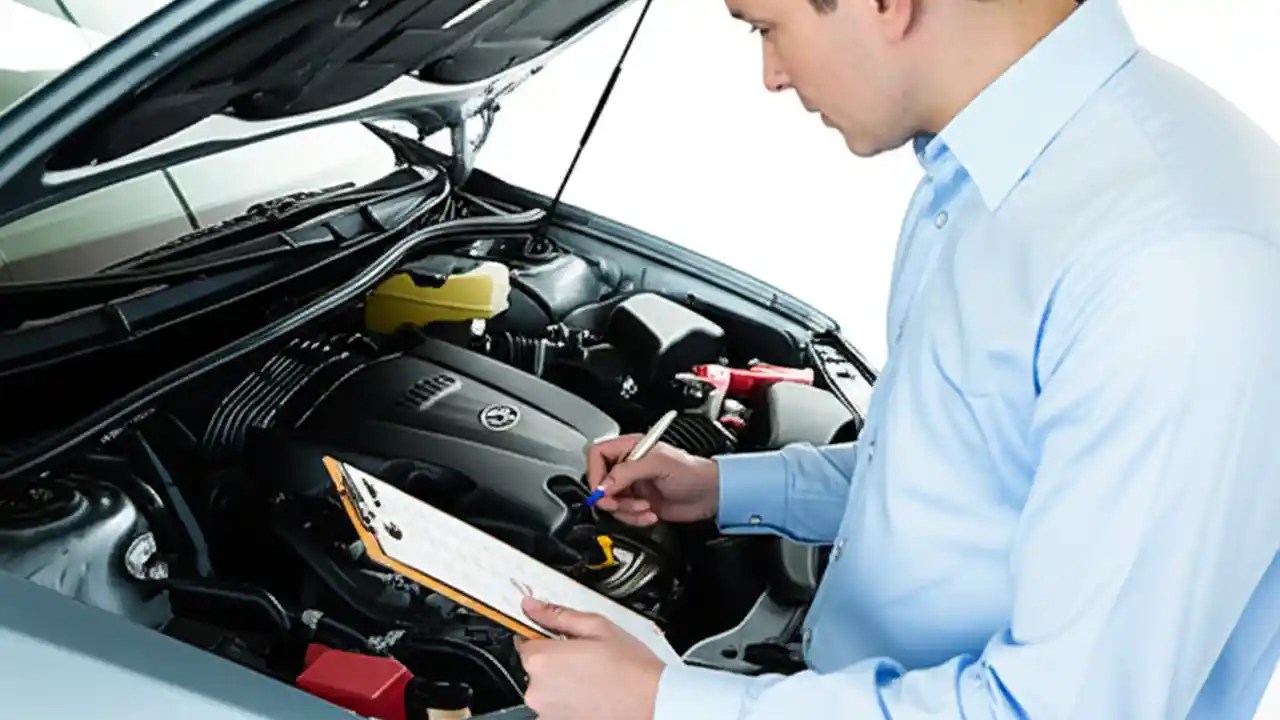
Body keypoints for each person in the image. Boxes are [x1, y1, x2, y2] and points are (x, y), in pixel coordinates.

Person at [513, 0, 1280, 717]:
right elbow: (955, 475)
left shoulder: (1176, 264)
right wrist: (723, 487)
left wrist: (670, 705)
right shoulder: (990, 177)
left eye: (765, 27)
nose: (772, 75)